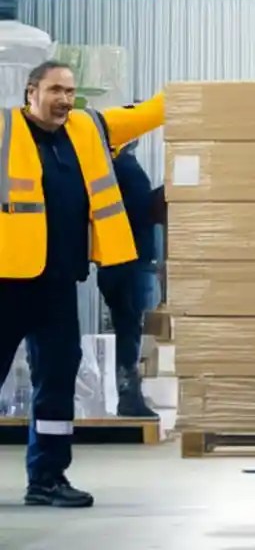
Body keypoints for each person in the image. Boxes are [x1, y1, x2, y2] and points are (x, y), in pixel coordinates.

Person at [0, 61, 165, 507]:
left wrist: (194, 94)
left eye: (70, 92)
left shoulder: (88, 129)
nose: (65, 100)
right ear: (31, 92)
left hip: (57, 283)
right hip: (6, 280)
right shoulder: (3, 129)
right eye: (55, 90)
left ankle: (47, 479)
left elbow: (151, 113)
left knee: (57, 380)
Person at [95, 138, 160, 419]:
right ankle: (128, 396)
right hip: (127, 260)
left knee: (129, 325)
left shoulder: (117, 164)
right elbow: (139, 208)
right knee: (129, 327)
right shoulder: (120, 165)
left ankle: (129, 394)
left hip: (120, 260)